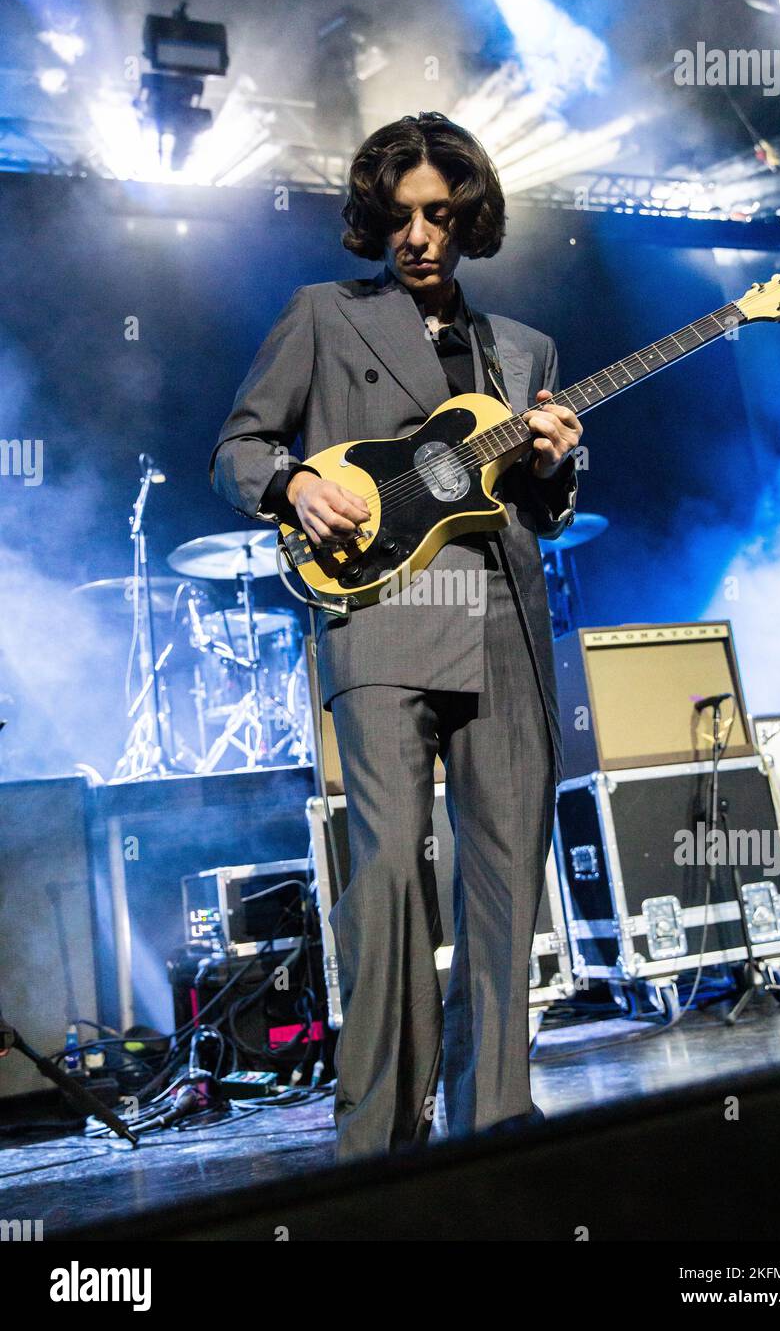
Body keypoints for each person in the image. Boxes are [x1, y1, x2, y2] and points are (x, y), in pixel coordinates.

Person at [211, 112, 583, 1161]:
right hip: (380, 614)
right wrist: (293, 482)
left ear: (469, 217)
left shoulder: (522, 349)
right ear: (375, 219)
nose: (418, 234)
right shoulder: (323, 315)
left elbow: (544, 510)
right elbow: (237, 446)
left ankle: (493, 1121)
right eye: (400, 215)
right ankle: (375, 1137)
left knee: (508, 875)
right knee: (385, 875)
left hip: (502, 619)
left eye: (439, 213)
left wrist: (553, 462)